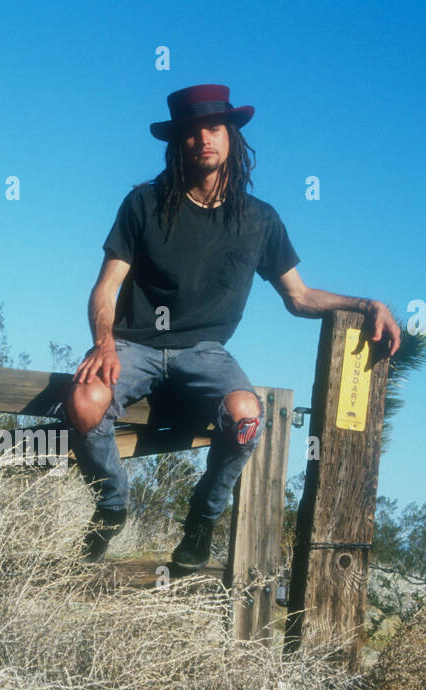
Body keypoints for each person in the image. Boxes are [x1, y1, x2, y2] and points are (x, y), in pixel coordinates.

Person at [53, 84, 401, 566]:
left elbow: (298, 298)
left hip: (205, 352)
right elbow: (106, 287)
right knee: (85, 402)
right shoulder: (143, 203)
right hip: (132, 345)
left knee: (246, 414)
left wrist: (366, 304)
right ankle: (112, 505)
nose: (204, 140)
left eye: (214, 128)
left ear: (233, 137)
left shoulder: (259, 220)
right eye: (192, 132)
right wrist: (104, 344)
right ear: (179, 143)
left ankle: (202, 516)